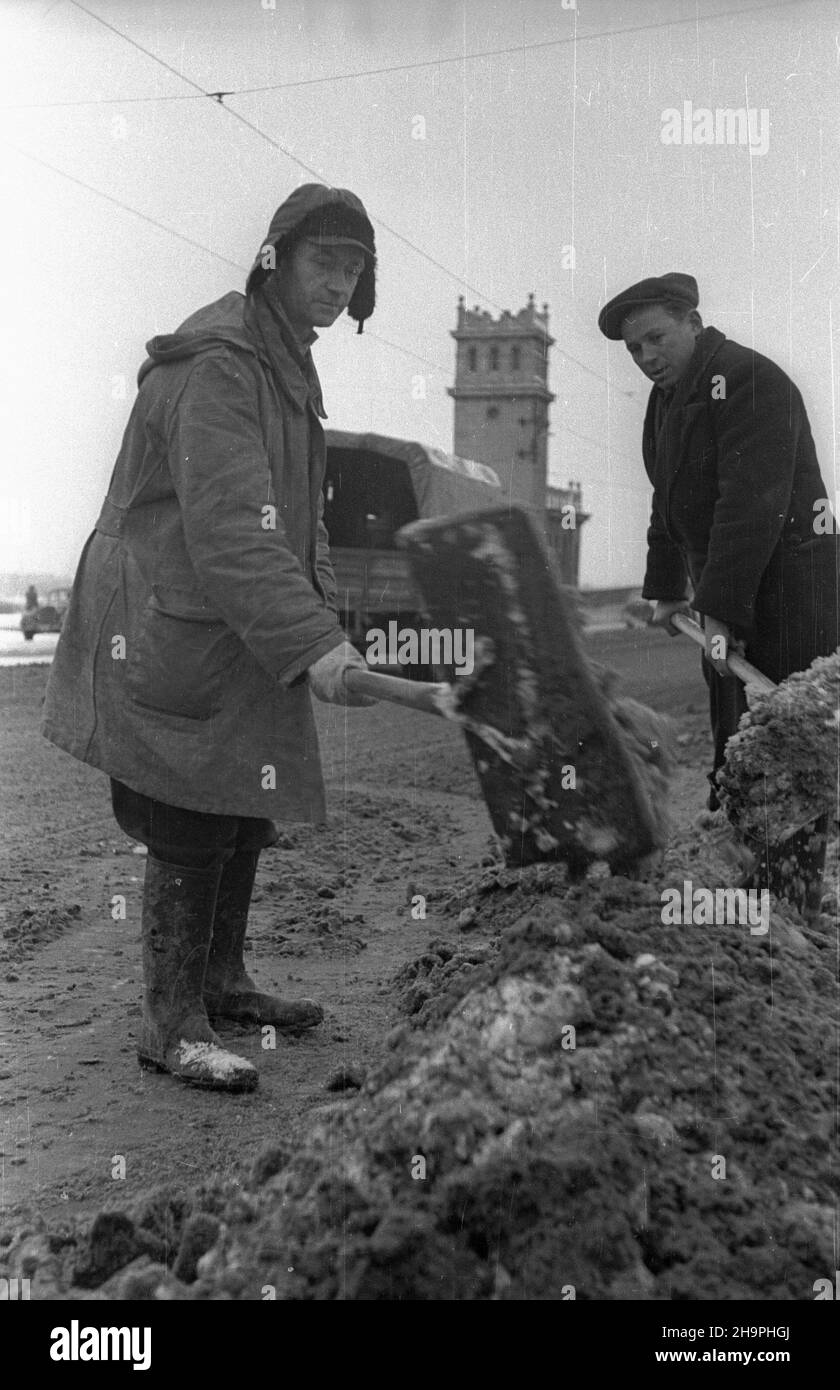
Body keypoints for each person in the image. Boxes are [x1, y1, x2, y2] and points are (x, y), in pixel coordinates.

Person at [42, 184, 380, 1091]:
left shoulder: (285, 362)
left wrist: (325, 612)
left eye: (354, 268)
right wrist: (312, 643)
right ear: (274, 259)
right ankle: (170, 1021)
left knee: (241, 804)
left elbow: (293, 517)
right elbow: (230, 529)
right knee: (189, 810)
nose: (340, 283)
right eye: (324, 262)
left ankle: (222, 983)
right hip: (167, 614)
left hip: (232, 620)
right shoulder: (223, 364)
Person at [597, 271, 839, 915]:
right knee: (737, 734)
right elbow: (668, 501)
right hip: (727, 593)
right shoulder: (669, 398)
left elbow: (749, 509)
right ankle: (741, 881)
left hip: (791, 596)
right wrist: (667, 589)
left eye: (656, 338)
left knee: (784, 746)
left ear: (693, 323)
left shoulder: (751, 381)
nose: (647, 358)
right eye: (635, 350)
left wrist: (720, 610)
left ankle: (787, 899)